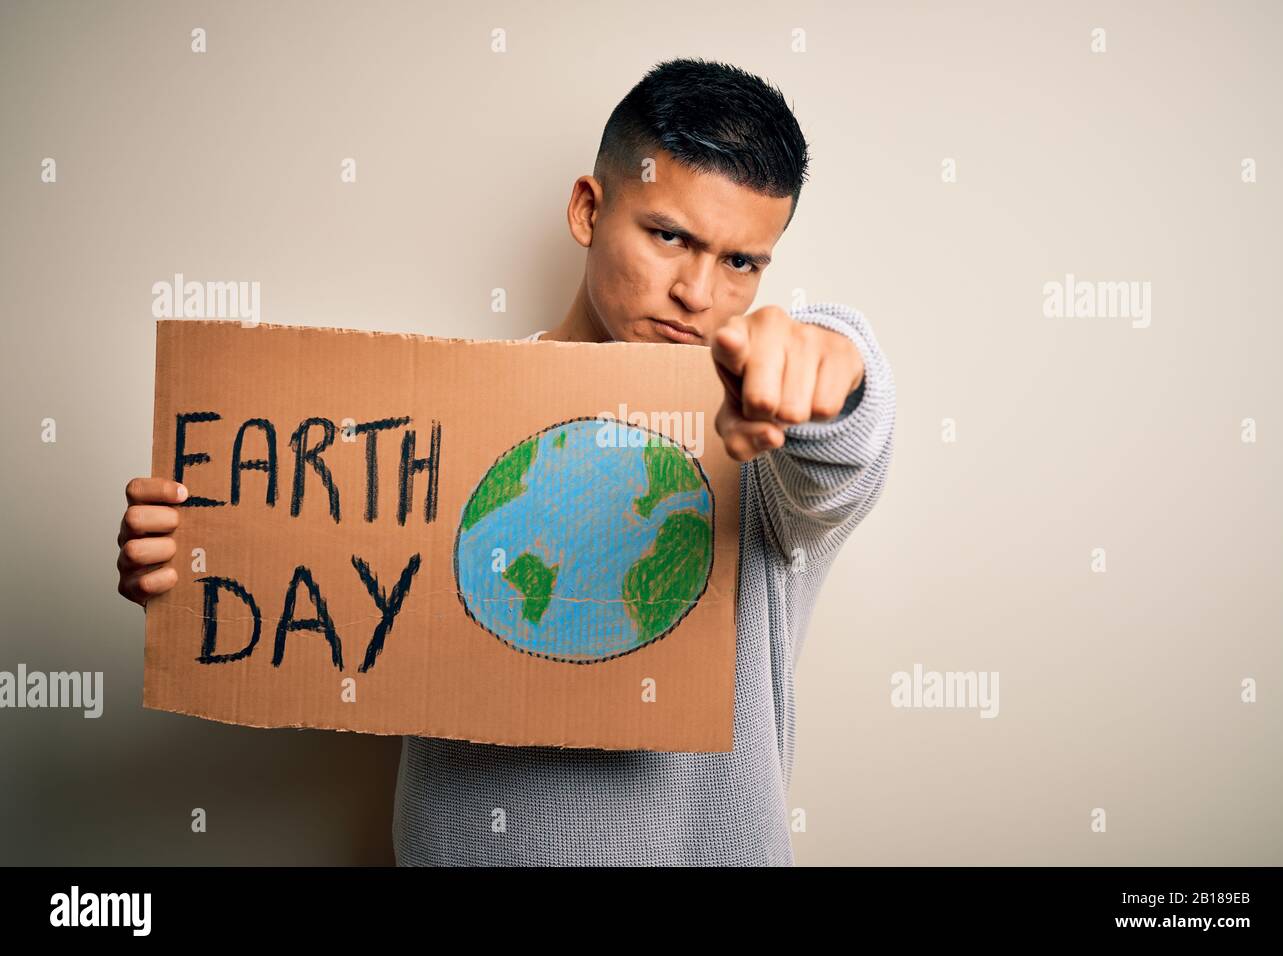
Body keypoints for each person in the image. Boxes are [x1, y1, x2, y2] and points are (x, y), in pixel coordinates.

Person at [117, 57, 896, 865]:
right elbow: (335, 604)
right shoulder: (447, 425)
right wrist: (205, 559)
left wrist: (831, 361)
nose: (698, 294)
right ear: (588, 210)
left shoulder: (765, 439)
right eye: (670, 237)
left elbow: (846, 443)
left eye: (742, 263)